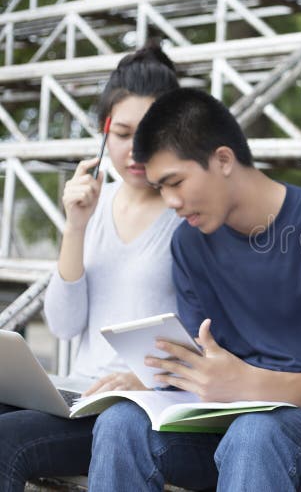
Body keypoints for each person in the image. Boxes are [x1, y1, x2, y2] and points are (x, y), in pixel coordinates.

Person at [87, 88, 301, 492]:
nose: (170, 201)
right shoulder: (188, 243)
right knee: (120, 422)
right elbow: (208, 361)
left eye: (175, 182)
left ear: (223, 159)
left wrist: (251, 383)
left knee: (254, 434)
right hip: (229, 420)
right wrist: (162, 377)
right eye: (160, 188)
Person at [0, 44, 182, 491]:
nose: (135, 149)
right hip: (78, 396)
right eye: (122, 133)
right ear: (104, 132)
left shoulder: (188, 213)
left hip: (138, 408)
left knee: (5, 441)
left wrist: (144, 379)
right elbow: (63, 325)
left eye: (149, 132)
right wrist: (76, 225)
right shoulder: (94, 205)